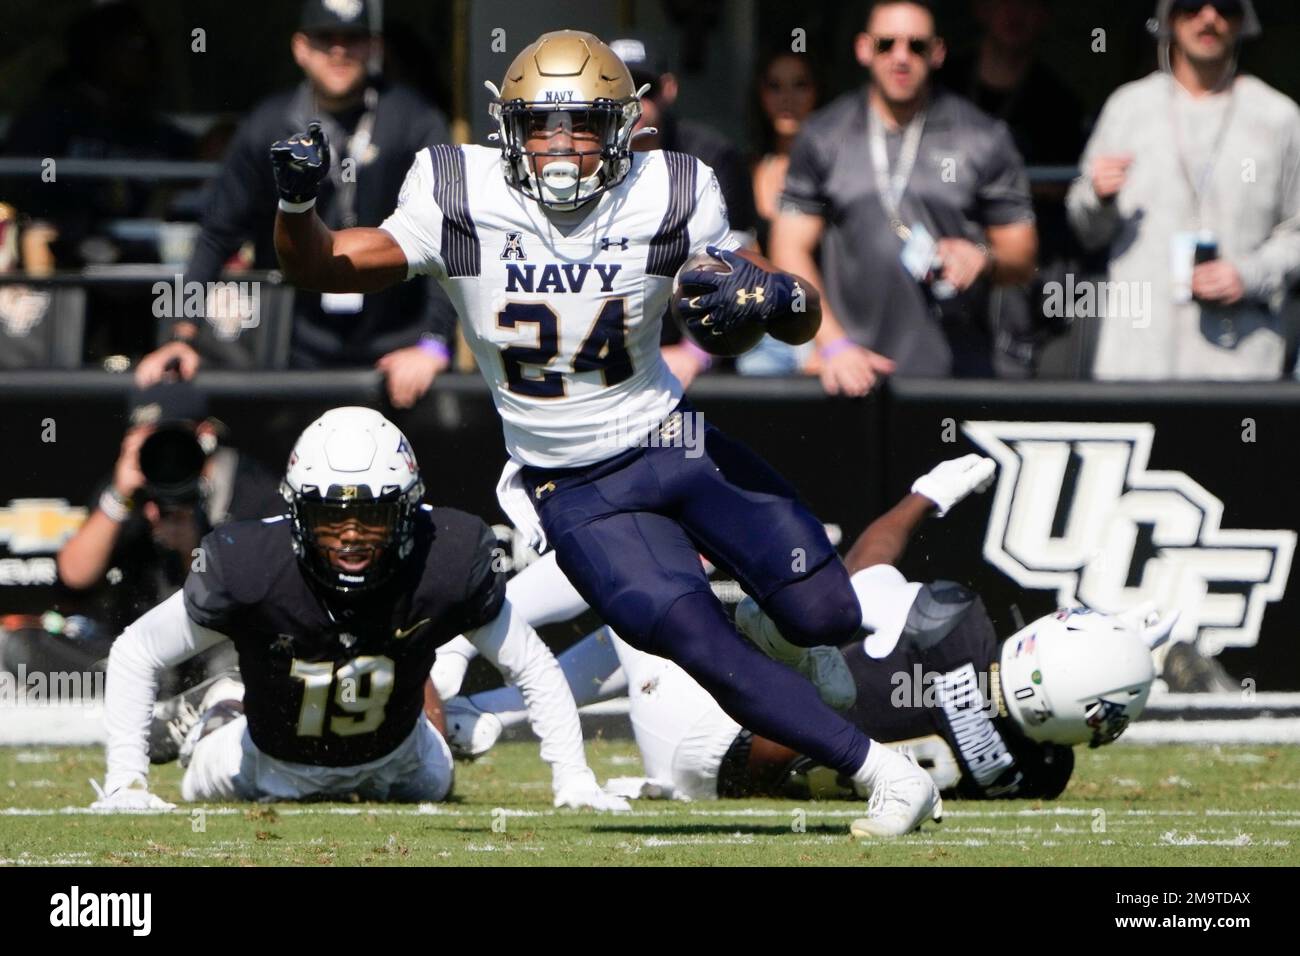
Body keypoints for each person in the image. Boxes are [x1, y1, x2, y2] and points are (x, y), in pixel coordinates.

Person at [267, 29, 941, 837]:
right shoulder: (461, 193)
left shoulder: (670, 190)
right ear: (505, 129)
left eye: (582, 125)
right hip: (574, 483)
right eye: (541, 126)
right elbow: (324, 265)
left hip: (672, 442)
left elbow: (787, 307)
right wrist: (298, 206)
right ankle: (886, 773)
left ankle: (785, 629)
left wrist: (767, 301)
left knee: (829, 614)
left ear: (624, 128)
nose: (559, 147)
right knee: (692, 637)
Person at [443, 456, 1175, 806]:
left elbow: (858, 574)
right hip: (725, 779)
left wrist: (923, 495)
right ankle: (484, 714)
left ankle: (463, 633)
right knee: (641, 638)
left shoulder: (958, 633)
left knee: (629, 551)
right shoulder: (1041, 776)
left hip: (721, 721)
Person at [90, 407, 626, 810]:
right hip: (265, 763)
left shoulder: (446, 554)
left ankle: (438, 718)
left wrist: (573, 778)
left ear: (408, 511)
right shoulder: (250, 563)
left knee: (440, 768)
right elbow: (137, 650)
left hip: (401, 760)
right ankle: (221, 709)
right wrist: (126, 780)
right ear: (298, 514)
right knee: (201, 782)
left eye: (371, 517)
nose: (350, 537)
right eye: (331, 519)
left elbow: (530, 663)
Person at [134, 0, 458, 409]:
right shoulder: (267, 124)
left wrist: (434, 344)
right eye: (326, 39)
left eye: (353, 39)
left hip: (398, 353)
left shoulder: (416, 120)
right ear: (301, 47)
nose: (339, 51)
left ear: (374, 47)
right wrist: (180, 336)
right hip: (296, 349)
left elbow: (450, 234)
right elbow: (216, 234)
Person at [770, 0, 1038, 393]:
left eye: (916, 46)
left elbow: (1023, 256)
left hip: (957, 372)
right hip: (852, 371)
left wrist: (981, 257)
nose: (901, 58)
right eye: (886, 45)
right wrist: (833, 344)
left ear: (938, 53)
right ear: (863, 49)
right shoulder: (824, 135)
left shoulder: (982, 136)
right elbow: (788, 250)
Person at [1066, 0, 1300, 380]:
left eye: (1226, 8)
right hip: (1136, 362)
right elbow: (1086, 231)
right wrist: (1098, 197)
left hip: (1239, 364)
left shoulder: (1279, 117)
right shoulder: (1127, 108)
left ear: (1242, 23)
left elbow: (1297, 232)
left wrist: (1250, 273)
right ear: (1169, 19)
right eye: (1192, 6)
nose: (1209, 18)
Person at [1, 382, 281, 695]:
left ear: (205, 434)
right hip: (130, 648)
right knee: (16, 645)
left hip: (212, 648)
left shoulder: (244, 487)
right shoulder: (129, 486)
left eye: (174, 438)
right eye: (148, 437)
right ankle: (138, 687)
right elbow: (73, 577)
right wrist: (119, 497)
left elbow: (252, 605)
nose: (166, 453)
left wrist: (193, 549)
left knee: (239, 661)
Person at [608, 36, 762, 389]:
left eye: (645, 90)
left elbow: (738, 265)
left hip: (694, 367)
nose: (633, 104)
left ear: (669, 89)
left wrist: (696, 351)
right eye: (620, 91)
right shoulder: (582, 161)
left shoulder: (711, 156)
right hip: (610, 362)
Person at [740, 50, 822, 376]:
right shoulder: (745, 170)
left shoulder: (837, 174)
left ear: (817, 92)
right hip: (760, 334)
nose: (787, 98)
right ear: (761, 95)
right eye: (775, 86)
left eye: (800, 85)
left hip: (824, 330)